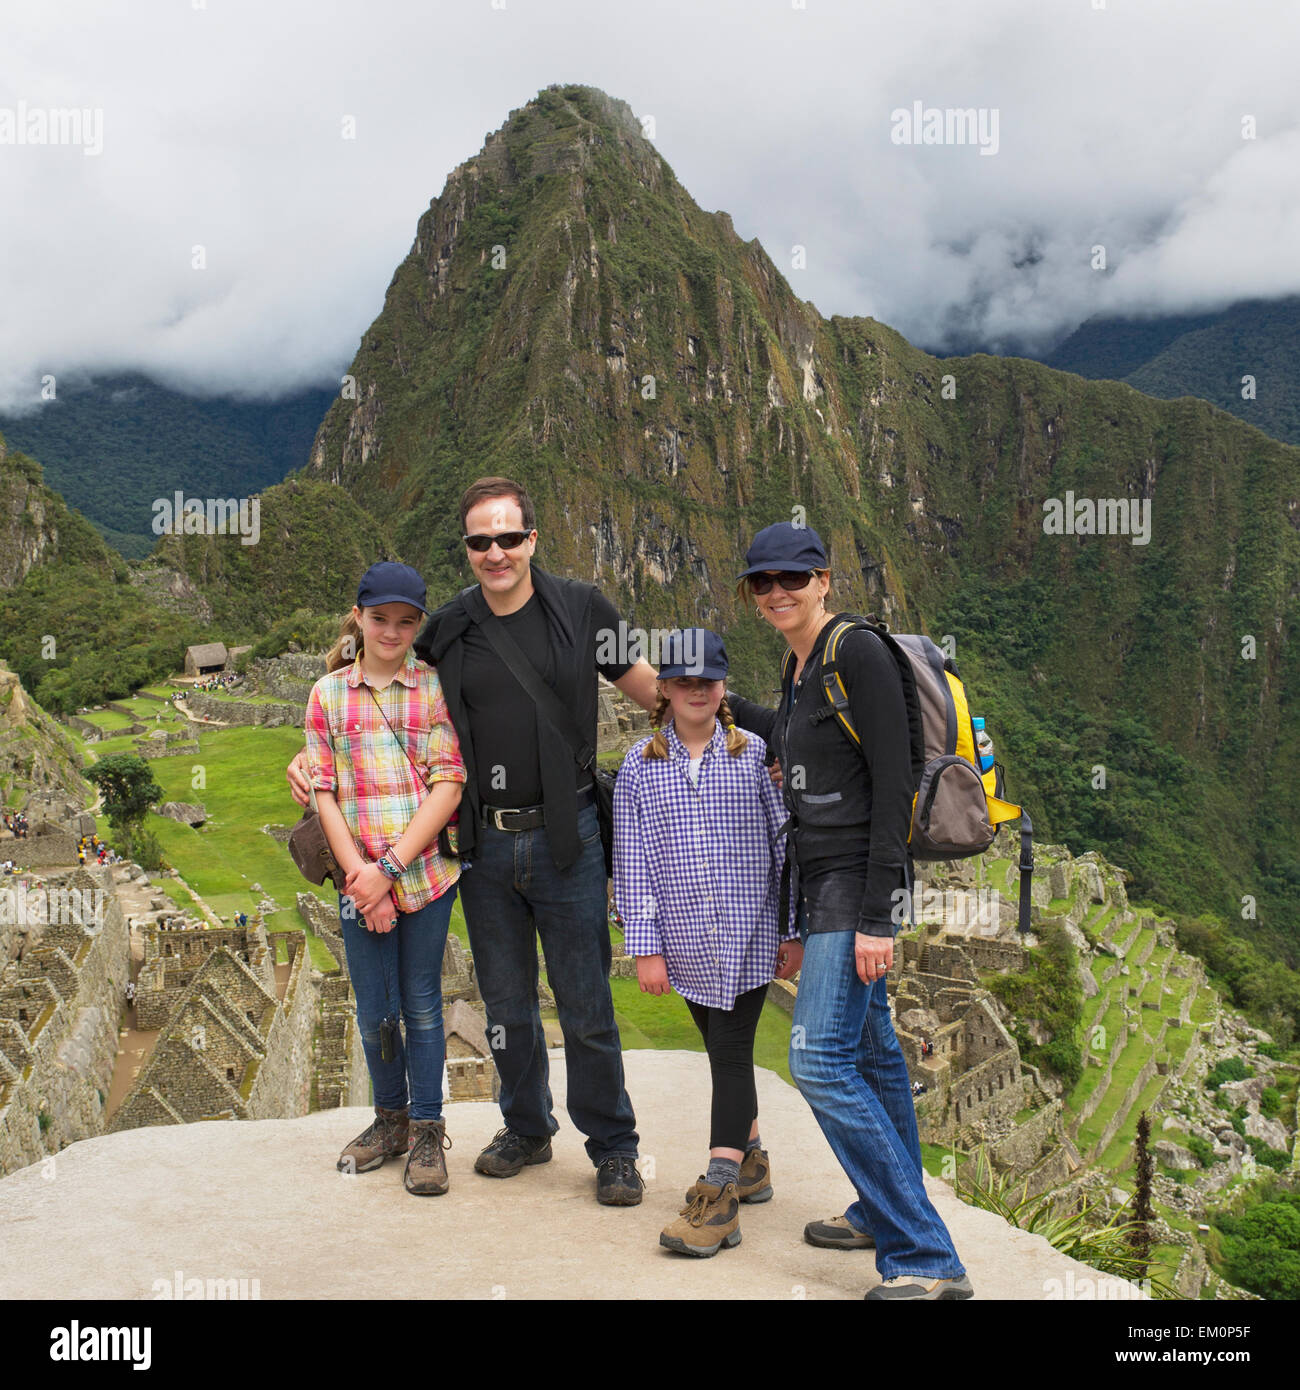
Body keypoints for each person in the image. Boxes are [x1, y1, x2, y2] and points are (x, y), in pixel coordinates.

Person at [289, 478, 661, 1206]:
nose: (495, 552)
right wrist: (306, 758)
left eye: (508, 538)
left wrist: (752, 725)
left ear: (532, 540)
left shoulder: (584, 611)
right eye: (480, 541)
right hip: (485, 847)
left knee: (585, 1003)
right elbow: (374, 668)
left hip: (569, 835)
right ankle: (526, 1126)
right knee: (507, 1006)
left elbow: (656, 691)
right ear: (467, 549)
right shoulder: (451, 626)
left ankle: (614, 1145)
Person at [724, 521, 973, 1301]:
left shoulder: (856, 651)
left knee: (819, 1063)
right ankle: (882, 1209)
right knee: (873, 1059)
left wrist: (878, 918)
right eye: (761, 582)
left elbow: (895, 785)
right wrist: (699, 693)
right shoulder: (800, 668)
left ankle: (927, 1261)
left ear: (824, 579)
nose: (777, 593)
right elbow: (795, 741)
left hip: (854, 887)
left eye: (792, 578)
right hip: (824, 878)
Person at [614, 629, 798, 1257]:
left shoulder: (755, 757)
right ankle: (753, 1163)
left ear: (724, 689)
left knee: (729, 1053)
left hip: (750, 937)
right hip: (686, 944)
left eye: (708, 681)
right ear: (661, 689)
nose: (696, 691)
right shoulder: (640, 768)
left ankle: (719, 1196)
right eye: (683, 681)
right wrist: (646, 947)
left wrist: (792, 930)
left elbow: (784, 849)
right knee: (721, 1049)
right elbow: (633, 862)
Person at [303, 561, 466, 1196]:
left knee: (423, 1007)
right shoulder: (327, 695)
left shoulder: (431, 688)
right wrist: (359, 879)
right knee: (375, 1011)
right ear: (359, 618)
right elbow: (323, 794)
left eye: (405, 621)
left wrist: (390, 870)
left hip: (422, 874)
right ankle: (389, 1120)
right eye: (380, 620)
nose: (392, 632)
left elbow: (449, 782)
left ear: (418, 624)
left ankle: (428, 1128)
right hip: (357, 879)